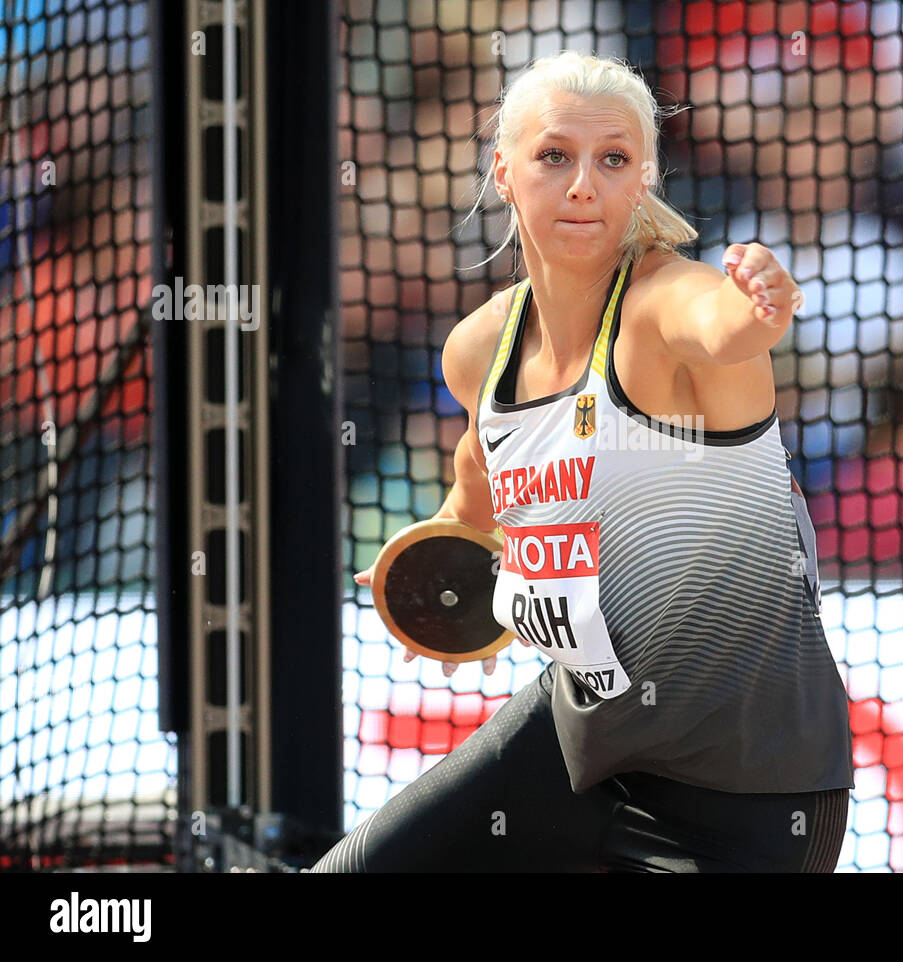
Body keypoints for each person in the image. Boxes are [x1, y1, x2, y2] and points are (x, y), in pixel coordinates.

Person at [310, 51, 853, 873]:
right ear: (503, 169)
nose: (583, 186)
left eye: (614, 160)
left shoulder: (665, 307)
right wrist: (434, 581)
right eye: (554, 155)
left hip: (748, 798)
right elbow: (474, 501)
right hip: (576, 745)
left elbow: (721, 327)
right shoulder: (479, 352)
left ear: (645, 178)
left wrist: (759, 307)